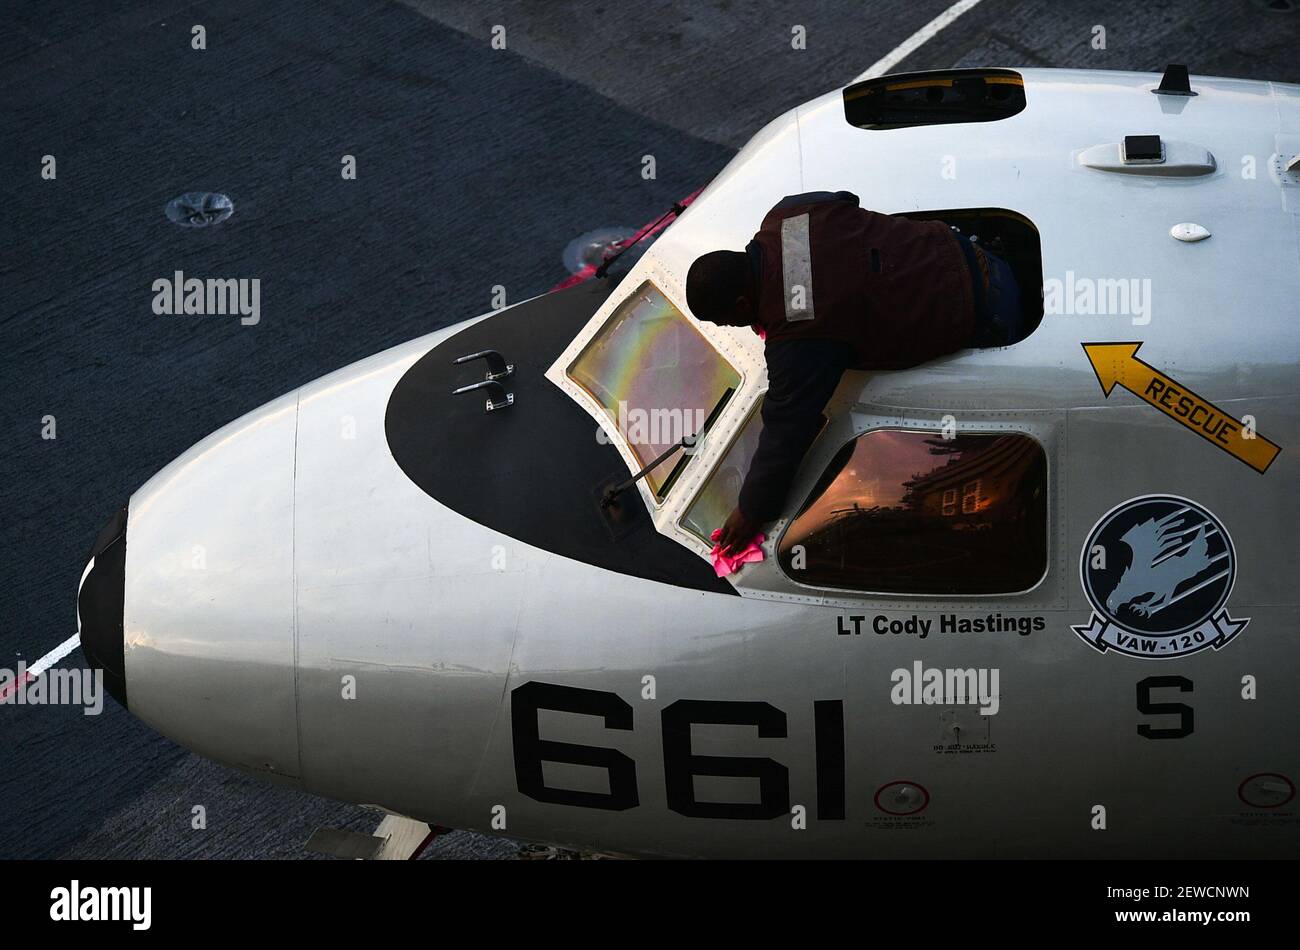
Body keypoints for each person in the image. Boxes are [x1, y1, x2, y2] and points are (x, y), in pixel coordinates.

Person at [686, 190, 1022, 555]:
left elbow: (786, 429)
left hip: (986, 313)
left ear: (742, 304)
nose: (733, 328)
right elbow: (845, 198)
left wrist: (750, 511)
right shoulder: (789, 214)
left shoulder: (799, 336)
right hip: (971, 252)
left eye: (728, 321)